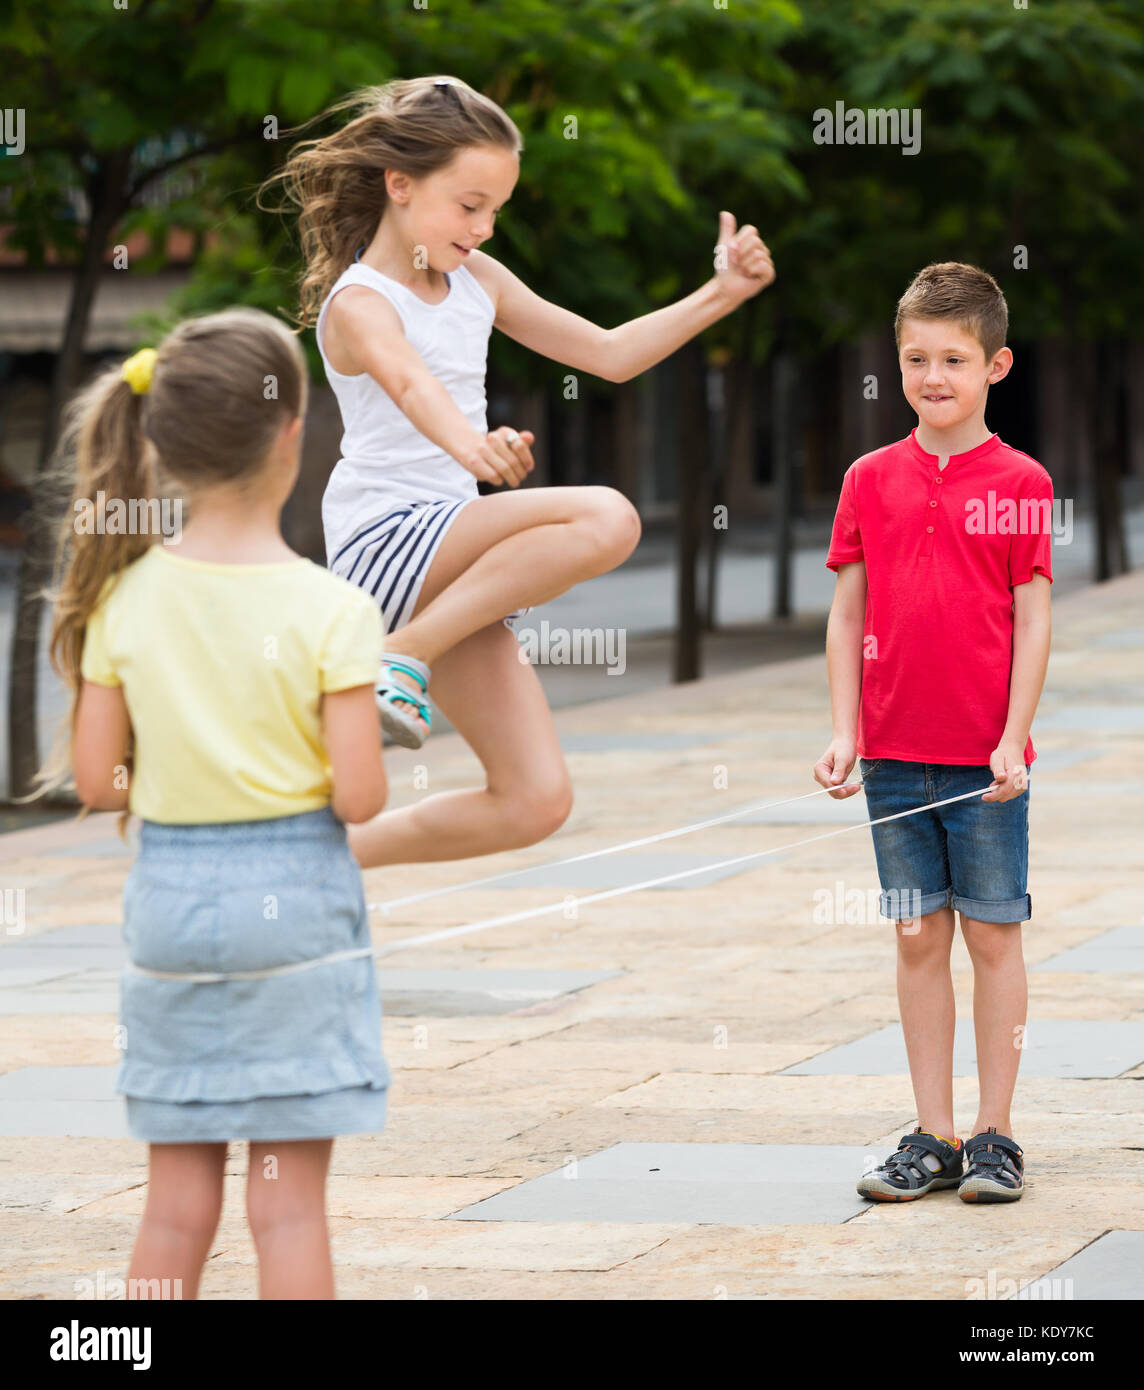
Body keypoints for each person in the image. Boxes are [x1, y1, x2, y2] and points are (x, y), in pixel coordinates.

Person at [263, 74, 775, 872]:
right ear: (399, 185)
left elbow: (607, 355)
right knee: (606, 518)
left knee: (534, 801)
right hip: (389, 540)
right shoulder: (360, 301)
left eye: (496, 208)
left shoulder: (478, 283)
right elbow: (408, 382)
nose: (485, 227)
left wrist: (722, 292)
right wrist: (471, 449)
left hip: (452, 559)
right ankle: (400, 656)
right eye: (469, 205)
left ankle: (313, 854)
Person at [33, 308, 389, 1298]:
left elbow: (99, 779)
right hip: (299, 908)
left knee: (174, 1202)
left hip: (173, 905)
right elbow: (359, 795)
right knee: (287, 1206)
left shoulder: (123, 601)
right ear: (291, 434)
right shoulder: (332, 609)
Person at [813, 262, 1053, 1204]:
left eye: (954, 358)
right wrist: (844, 730)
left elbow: (1033, 618)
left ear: (996, 364)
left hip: (985, 768)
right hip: (892, 763)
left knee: (994, 938)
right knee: (918, 940)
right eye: (916, 357)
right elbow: (844, 615)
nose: (933, 376)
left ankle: (996, 1136)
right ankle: (933, 1133)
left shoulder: (1022, 483)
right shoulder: (869, 480)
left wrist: (1013, 737)